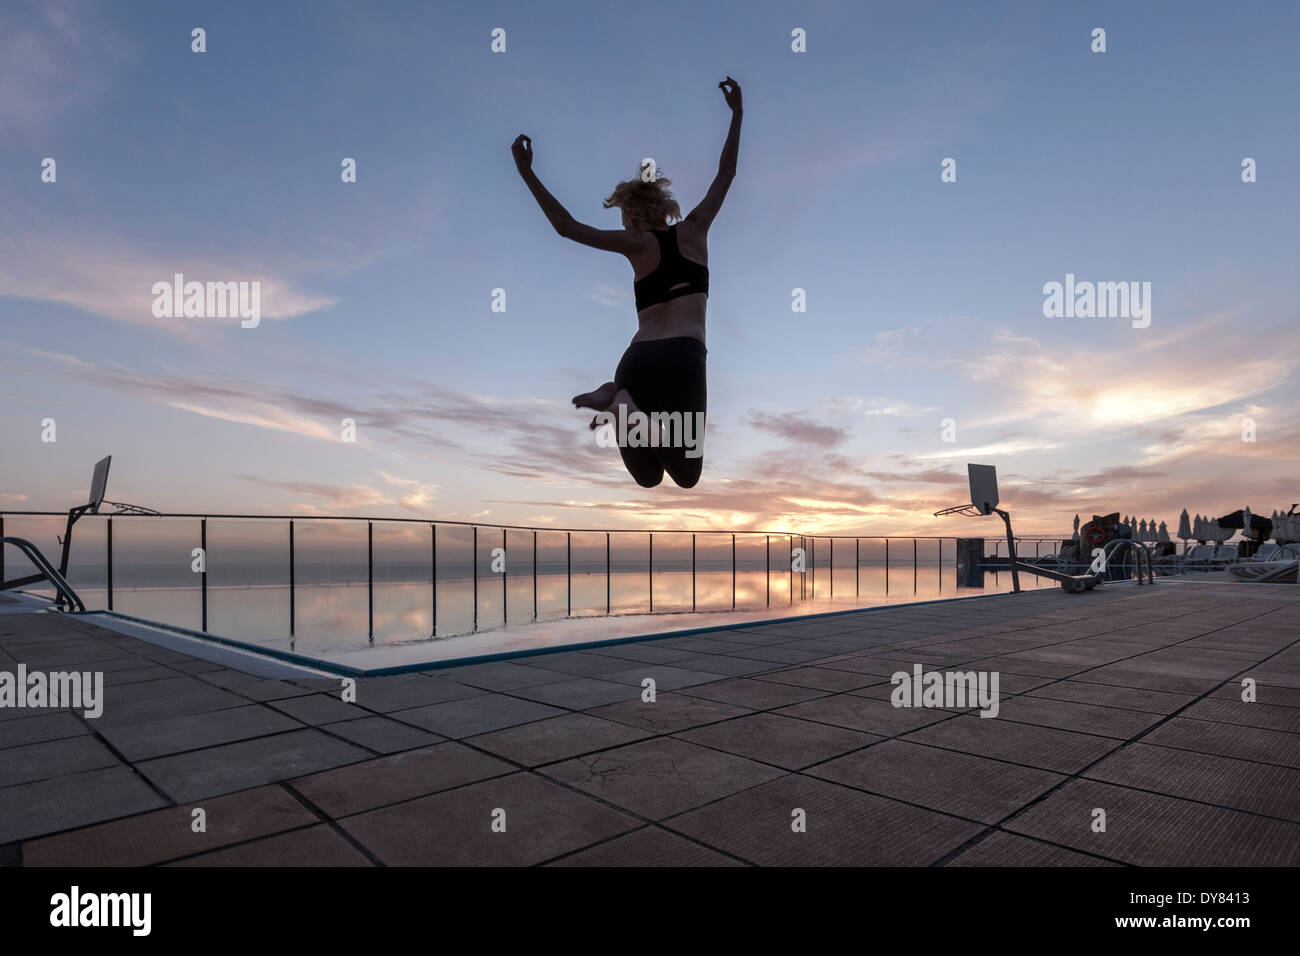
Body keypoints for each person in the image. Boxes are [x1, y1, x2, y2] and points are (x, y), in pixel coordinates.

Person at [512, 76, 742, 488]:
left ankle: (621, 403)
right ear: (662, 208)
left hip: (636, 362)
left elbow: (565, 227)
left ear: (632, 215)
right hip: (683, 358)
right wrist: (738, 115)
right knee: (686, 475)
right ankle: (619, 404)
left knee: (650, 477)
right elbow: (726, 174)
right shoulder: (695, 230)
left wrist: (526, 173)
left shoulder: (635, 245)